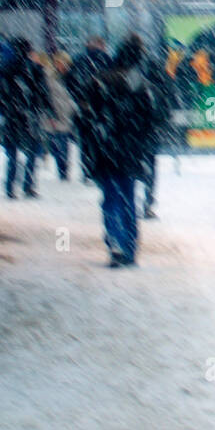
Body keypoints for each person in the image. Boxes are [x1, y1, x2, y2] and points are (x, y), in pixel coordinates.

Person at [80, 36, 155, 267]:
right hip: (129, 150)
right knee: (128, 198)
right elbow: (149, 120)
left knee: (111, 197)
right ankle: (129, 247)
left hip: (106, 148)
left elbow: (86, 117)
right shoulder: (138, 82)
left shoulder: (100, 81)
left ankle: (115, 242)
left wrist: (93, 143)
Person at [0, 37, 51, 198]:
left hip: (12, 117)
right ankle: (28, 185)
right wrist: (42, 108)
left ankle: (10, 186)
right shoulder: (34, 69)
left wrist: (5, 109)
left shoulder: (6, 69)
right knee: (32, 152)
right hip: (29, 115)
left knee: (12, 153)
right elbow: (42, 92)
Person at [67, 36, 112, 183]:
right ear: (102, 45)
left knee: (85, 141)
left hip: (83, 108)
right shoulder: (107, 60)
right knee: (100, 140)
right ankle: (97, 170)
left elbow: (70, 82)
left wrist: (79, 99)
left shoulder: (78, 60)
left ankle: (86, 170)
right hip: (101, 108)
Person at [137, 52, 175, 220]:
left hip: (136, 133)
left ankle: (134, 200)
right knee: (151, 168)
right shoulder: (161, 86)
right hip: (152, 133)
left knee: (135, 166)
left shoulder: (139, 85)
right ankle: (148, 201)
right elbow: (168, 109)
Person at [42, 51, 77, 180]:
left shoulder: (69, 77)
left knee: (63, 144)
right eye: (60, 63)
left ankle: (63, 170)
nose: (62, 66)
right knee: (56, 144)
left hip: (65, 114)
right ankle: (61, 169)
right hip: (54, 114)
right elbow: (47, 96)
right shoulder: (49, 77)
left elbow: (71, 95)